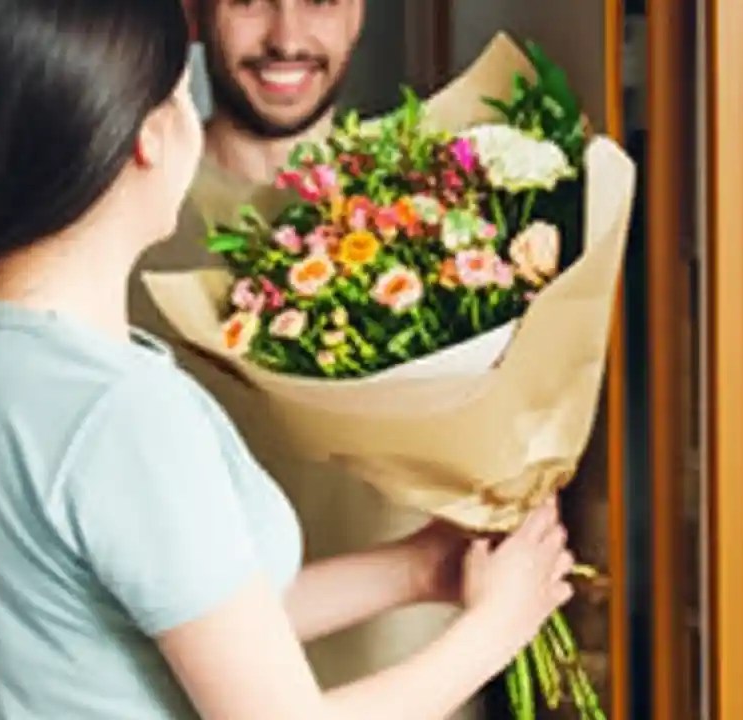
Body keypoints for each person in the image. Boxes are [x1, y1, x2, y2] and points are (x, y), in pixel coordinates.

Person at [0, 1, 576, 718]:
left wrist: (414, 569)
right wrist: (499, 627)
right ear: (150, 137)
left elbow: (187, 616)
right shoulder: (118, 411)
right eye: (178, 95)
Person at [128, 2, 488, 706]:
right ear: (193, 12)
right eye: (249, 1)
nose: (287, 36)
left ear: (357, 13)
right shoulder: (128, 220)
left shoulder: (444, 205)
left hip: (426, 686)